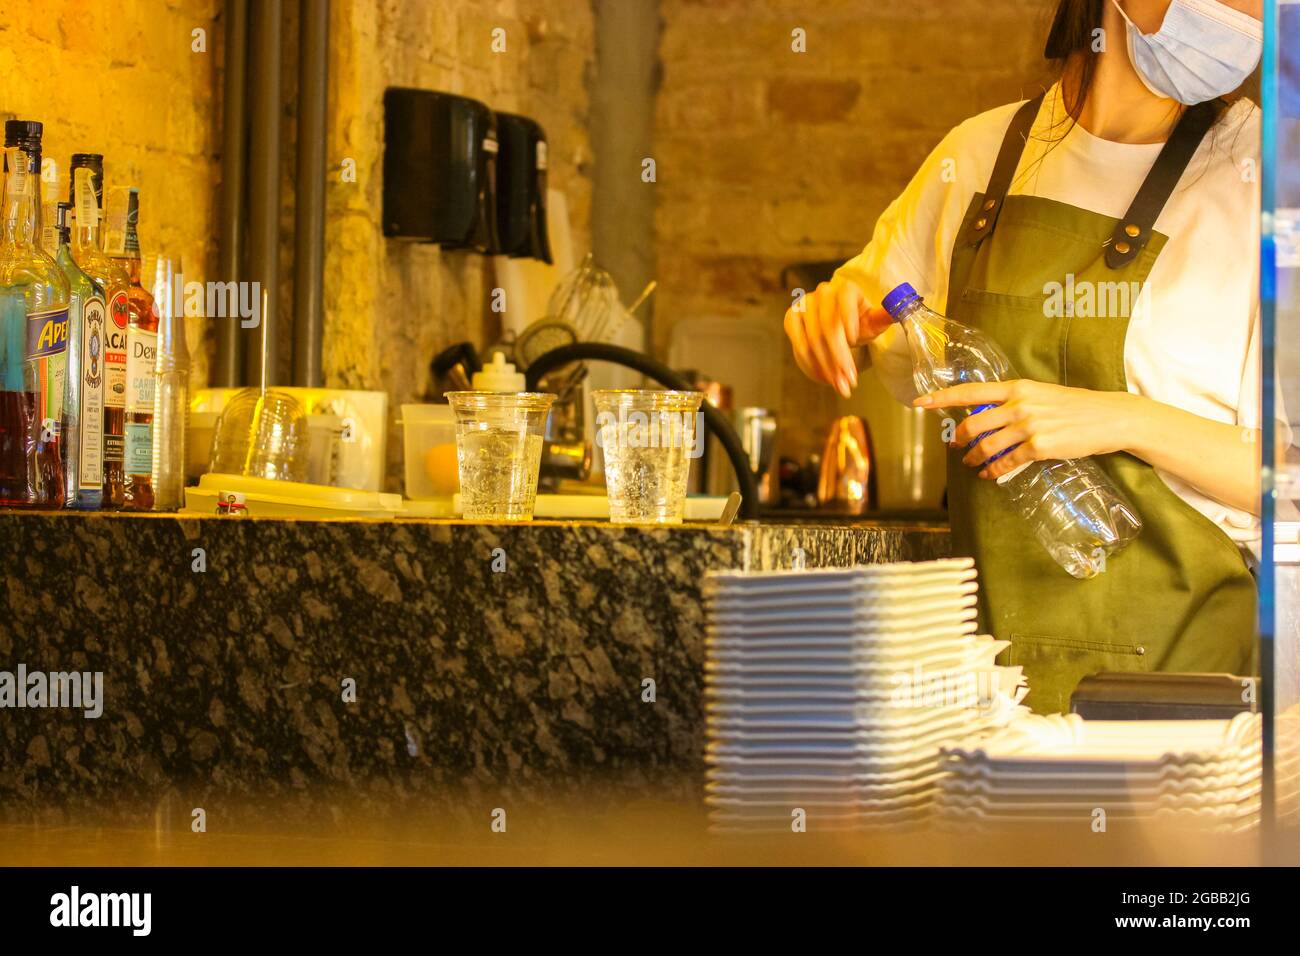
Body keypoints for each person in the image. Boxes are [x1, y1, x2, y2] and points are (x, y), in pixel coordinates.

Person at [784, 0, 1276, 712]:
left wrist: (1124, 420)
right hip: (983, 692)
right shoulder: (981, 155)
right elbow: (868, 311)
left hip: (1181, 703)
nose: (1245, 13)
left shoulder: (1264, 179)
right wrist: (824, 318)